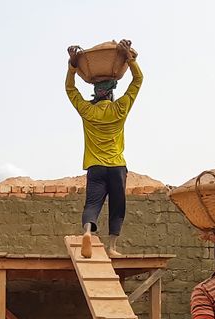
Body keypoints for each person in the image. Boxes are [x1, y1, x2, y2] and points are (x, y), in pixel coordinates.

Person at [66, 39, 142, 259]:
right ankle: (112, 247)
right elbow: (138, 80)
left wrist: (72, 66)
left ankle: (88, 232)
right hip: (117, 167)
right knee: (117, 206)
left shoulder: (87, 111)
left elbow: (70, 90)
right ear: (110, 93)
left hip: (95, 166)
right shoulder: (120, 108)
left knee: (92, 203)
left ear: (97, 92)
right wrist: (129, 58)